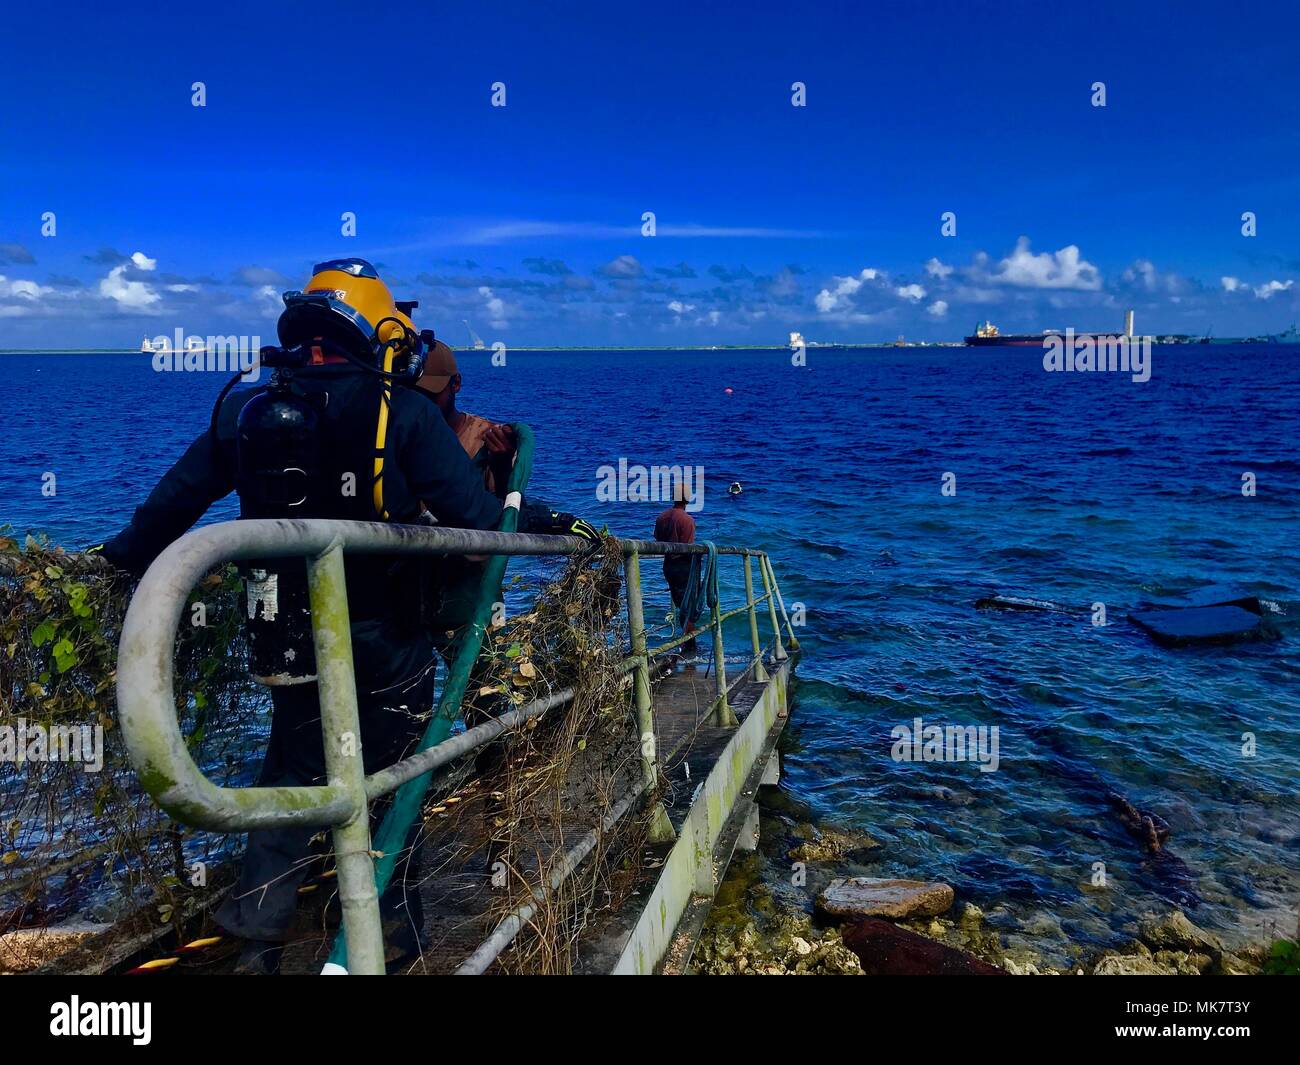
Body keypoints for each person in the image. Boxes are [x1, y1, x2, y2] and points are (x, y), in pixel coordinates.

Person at [100, 258, 507, 973]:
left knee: (287, 770)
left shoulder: (249, 407)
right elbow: (474, 525)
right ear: (377, 332)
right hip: (382, 637)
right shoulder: (399, 409)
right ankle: (390, 936)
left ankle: (257, 943)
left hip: (282, 637)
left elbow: (169, 507)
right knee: (391, 782)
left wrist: (116, 563)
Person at [654, 483, 702, 656]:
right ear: (688, 498)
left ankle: (688, 642)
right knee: (689, 607)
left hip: (668, 566)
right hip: (683, 567)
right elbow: (687, 547)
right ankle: (690, 646)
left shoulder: (661, 518)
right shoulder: (687, 520)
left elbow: (658, 540)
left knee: (680, 604)